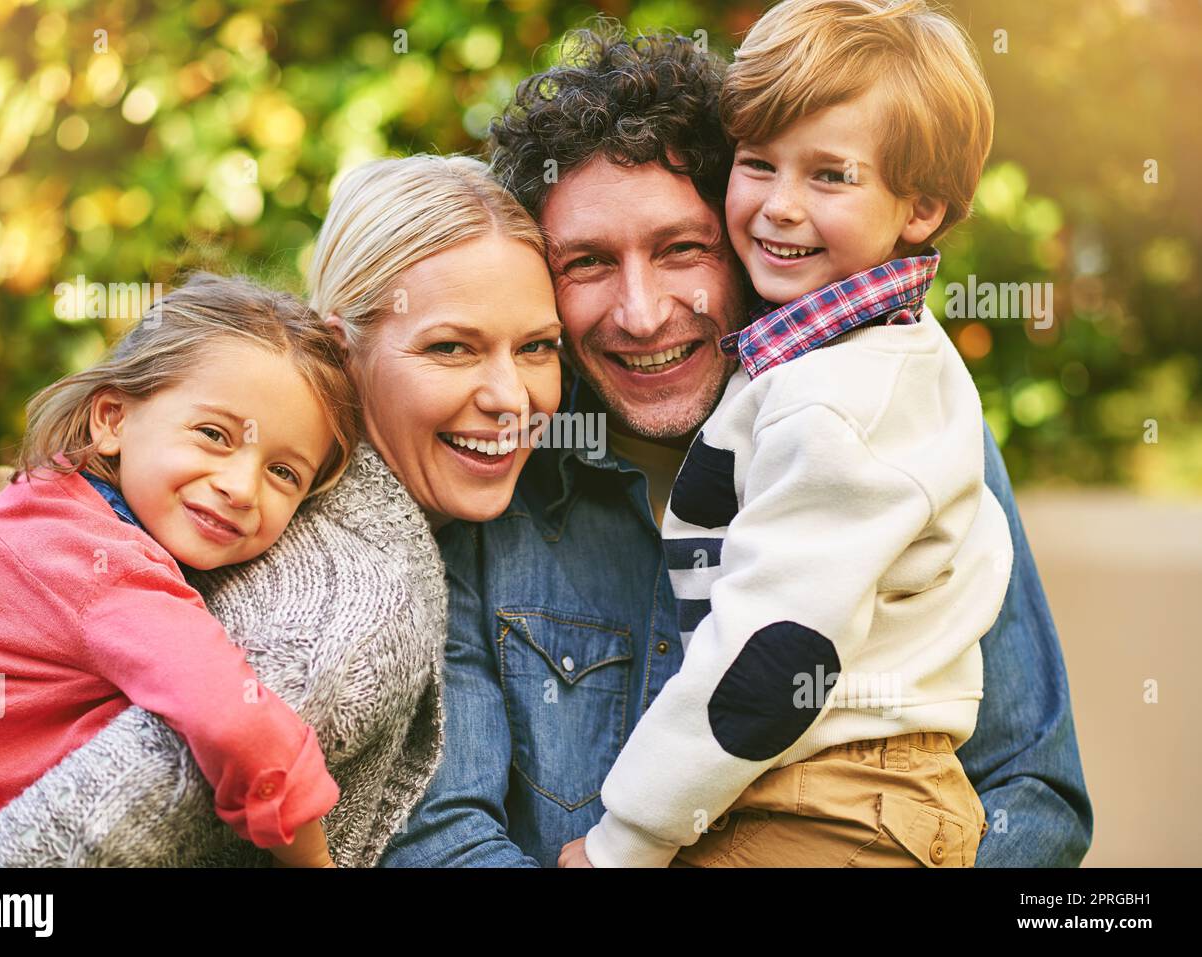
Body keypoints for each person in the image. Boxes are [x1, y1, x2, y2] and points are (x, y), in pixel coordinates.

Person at [379, 22, 1093, 868]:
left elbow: (1032, 793)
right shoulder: (492, 470)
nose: (642, 314)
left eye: (683, 249)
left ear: (741, 240)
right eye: (588, 264)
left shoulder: (899, 423)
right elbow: (441, 834)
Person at [0, 155, 562, 868]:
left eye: (538, 346)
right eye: (451, 347)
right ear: (342, 346)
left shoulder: (139, 507)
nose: (511, 397)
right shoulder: (347, 602)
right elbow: (87, 825)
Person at [562, 0, 1008, 869]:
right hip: (853, 789)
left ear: (920, 208)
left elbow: (773, 657)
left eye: (831, 176)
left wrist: (623, 842)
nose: (779, 208)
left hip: (831, 799)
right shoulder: (876, 350)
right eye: (759, 164)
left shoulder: (833, 405)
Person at [0, 274, 354, 868]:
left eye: (284, 473)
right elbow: (238, 726)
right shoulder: (96, 563)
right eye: (213, 435)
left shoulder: (48, 509)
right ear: (112, 419)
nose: (242, 487)